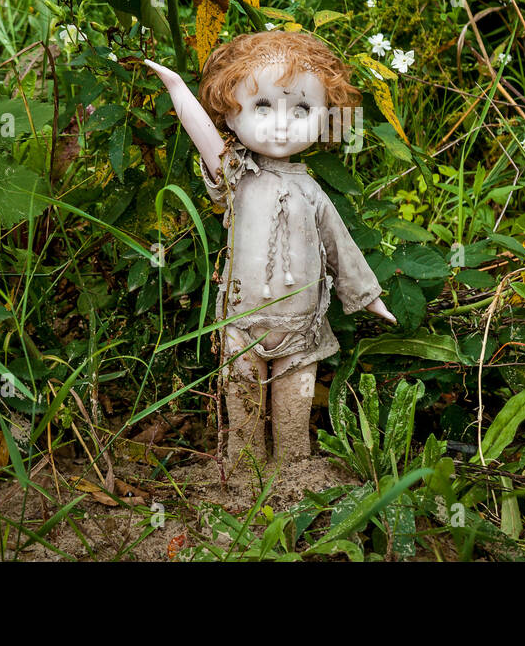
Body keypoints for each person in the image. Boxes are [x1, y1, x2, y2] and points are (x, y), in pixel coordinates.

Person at [144, 31, 395, 469]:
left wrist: (366, 296)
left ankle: (295, 475)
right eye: (262, 106)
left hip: (302, 327)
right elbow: (200, 131)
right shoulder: (235, 176)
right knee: (242, 409)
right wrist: (175, 87)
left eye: (301, 109)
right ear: (228, 111)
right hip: (242, 323)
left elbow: (340, 246)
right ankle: (243, 477)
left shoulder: (312, 192)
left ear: (328, 117)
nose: (282, 123)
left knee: (294, 410)